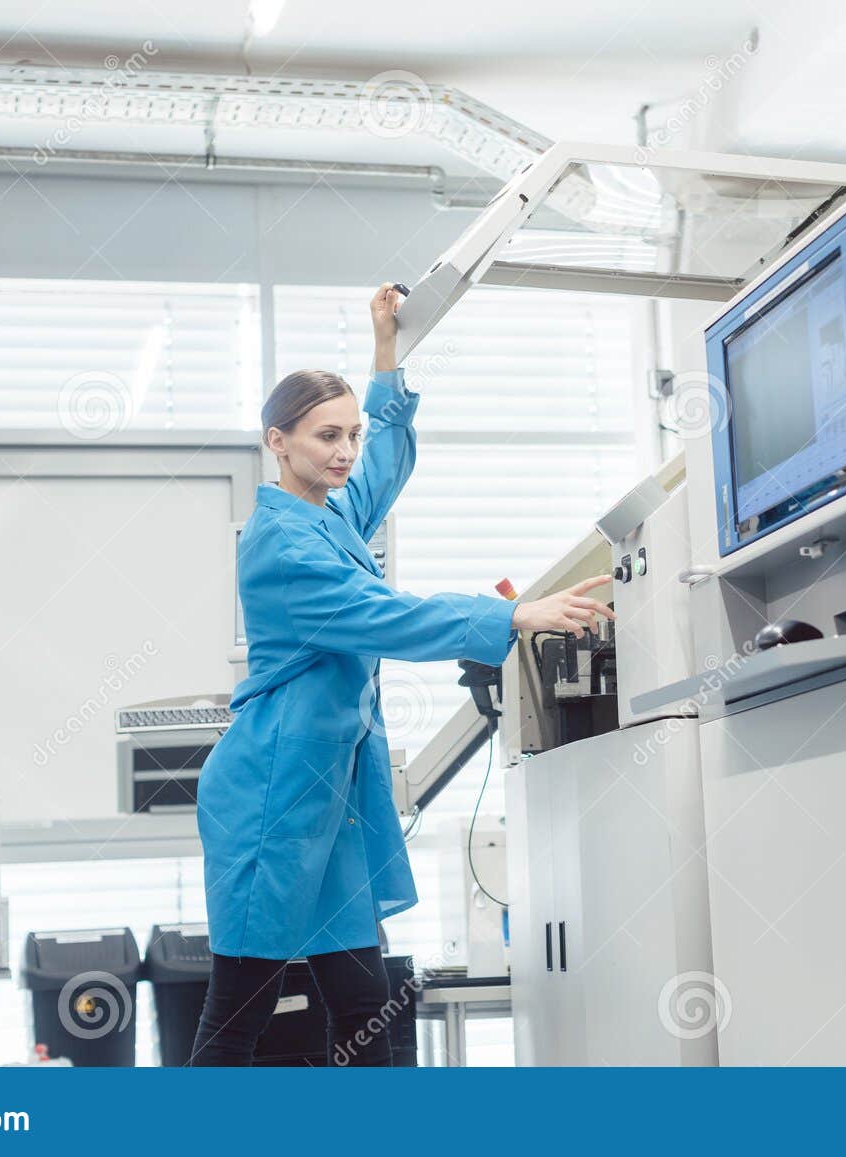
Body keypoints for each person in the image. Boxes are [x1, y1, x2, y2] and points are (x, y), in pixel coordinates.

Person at [190, 283, 614, 1065]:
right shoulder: (283, 545)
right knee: (237, 1017)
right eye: (326, 437)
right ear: (276, 441)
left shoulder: (329, 513)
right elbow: (388, 615)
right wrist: (511, 617)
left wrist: (384, 348)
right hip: (272, 802)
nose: (346, 451)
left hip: (331, 801)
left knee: (363, 1007)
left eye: (348, 432)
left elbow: (384, 455)